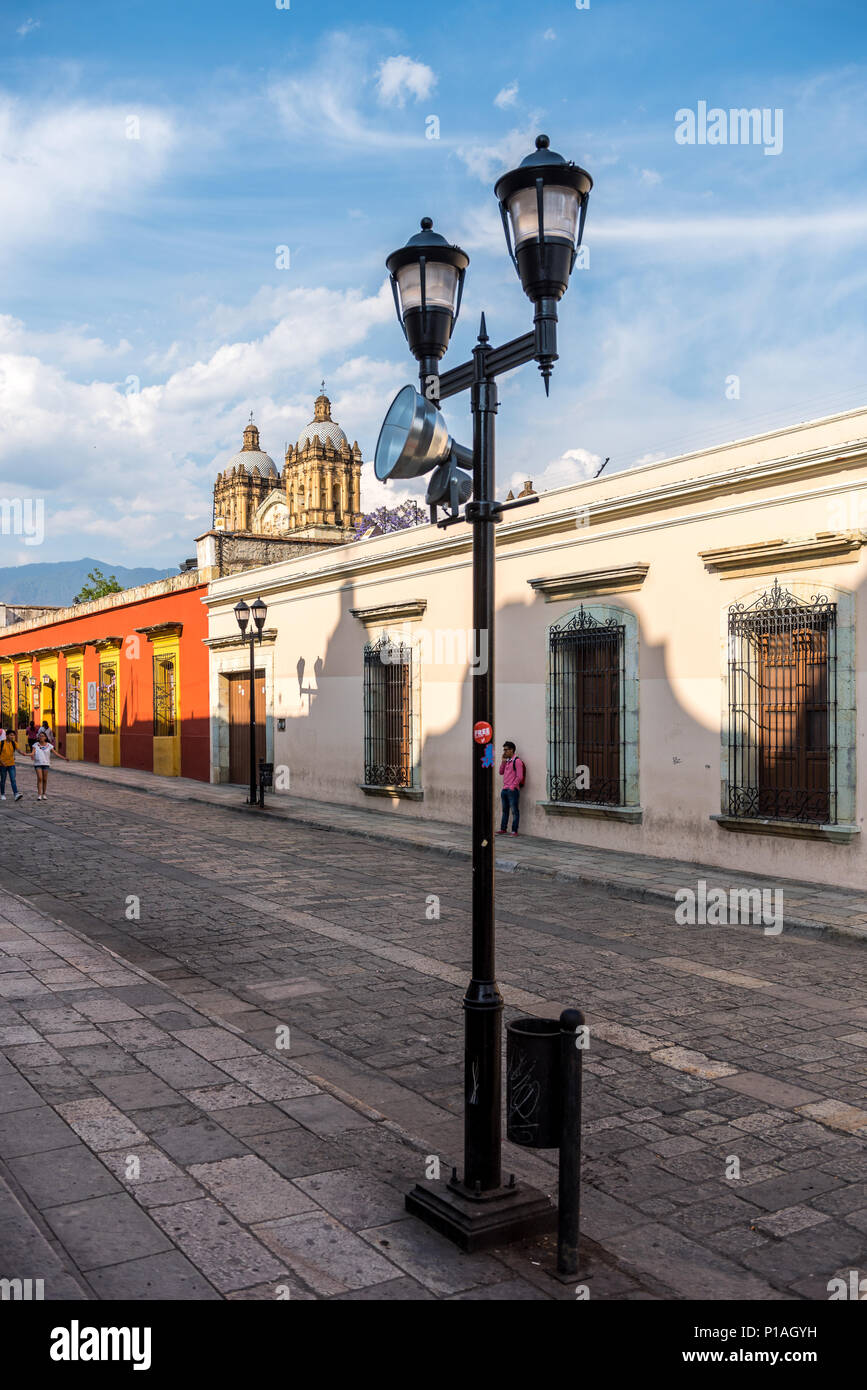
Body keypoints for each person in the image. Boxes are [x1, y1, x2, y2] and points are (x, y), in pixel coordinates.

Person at [497, 740, 525, 836]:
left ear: (512, 750)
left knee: (514, 811)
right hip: (504, 789)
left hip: (513, 790)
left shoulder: (517, 761)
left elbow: (520, 776)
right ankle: (503, 828)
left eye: (506, 750)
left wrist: (512, 787)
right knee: (505, 810)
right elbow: (500, 772)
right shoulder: (507, 761)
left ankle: (514, 831)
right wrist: (503, 762)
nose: (504, 752)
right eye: (503, 750)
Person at [29, 729, 66, 800]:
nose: (41, 737)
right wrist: (26, 754)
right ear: (38, 737)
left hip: (46, 764)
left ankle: (44, 794)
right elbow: (32, 753)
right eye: (40, 736)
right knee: (40, 778)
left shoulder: (49, 745)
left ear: (45, 737)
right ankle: (39, 794)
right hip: (38, 764)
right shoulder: (35, 745)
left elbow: (56, 753)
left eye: (42, 736)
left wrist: (64, 758)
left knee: (45, 779)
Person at [0, 731, 22, 802]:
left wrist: (25, 754)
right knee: (3, 780)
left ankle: (16, 794)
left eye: (13, 735)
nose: (12, 737)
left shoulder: (14, 743)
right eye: (11, 735)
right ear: (6, 736)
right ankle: (2, 794)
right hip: (2, 765)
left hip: (11, 764)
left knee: (13, 779)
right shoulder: (1, 743)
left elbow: (19, 750)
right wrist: (1, 762)